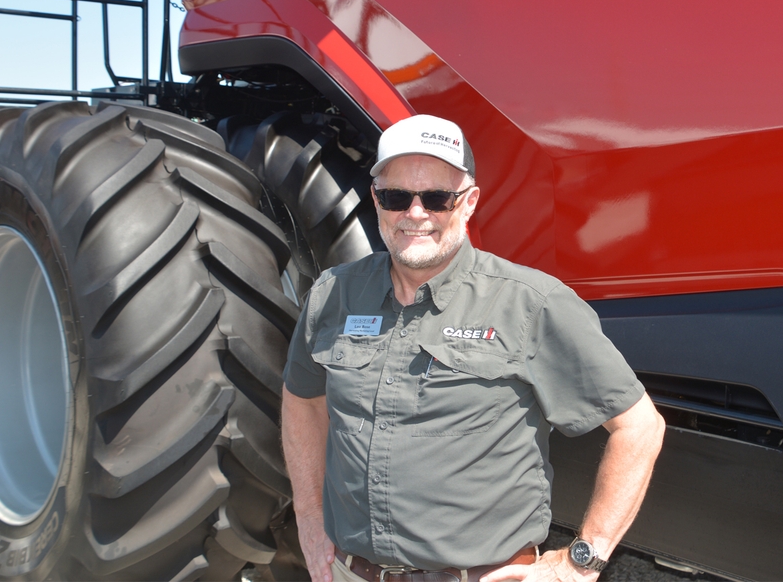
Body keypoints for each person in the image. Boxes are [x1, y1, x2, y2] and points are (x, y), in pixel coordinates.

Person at [281, 114, 666, 582]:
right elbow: (302, 398)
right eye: (397, 196)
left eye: (438, 198)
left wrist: (579, 564)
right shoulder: (333, 294)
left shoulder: (530, 302)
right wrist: (308, 517)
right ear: (376, 199)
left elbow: (639, 427)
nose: (415, 214)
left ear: (468, 203)